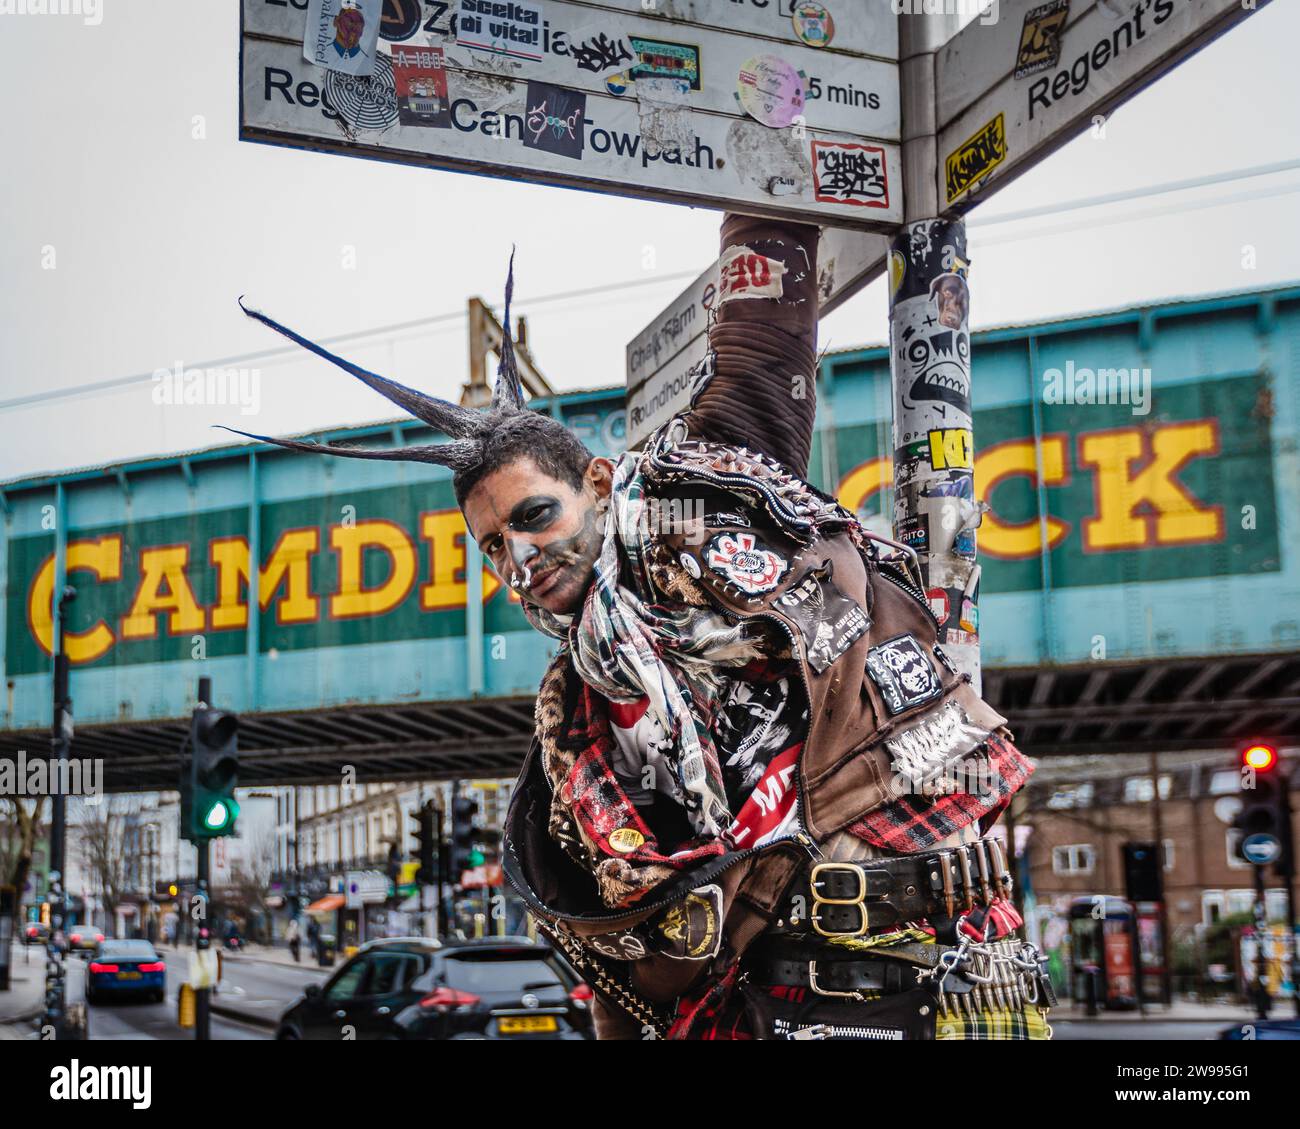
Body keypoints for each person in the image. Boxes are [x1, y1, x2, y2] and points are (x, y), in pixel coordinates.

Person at [233, 214, 1052, 1040]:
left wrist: (772, 113)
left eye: (535, 516)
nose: (519, 558)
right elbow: (624, 973)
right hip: (766, 1006)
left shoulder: (705, 494)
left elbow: (766, 310)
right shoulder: (575, 711)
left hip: (952, 962)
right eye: (493, 546)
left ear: (595, 481)